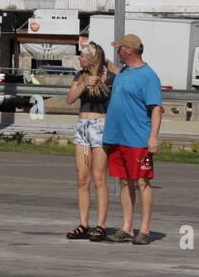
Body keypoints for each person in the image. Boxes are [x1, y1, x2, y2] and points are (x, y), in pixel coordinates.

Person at [100, 34, 163, 246]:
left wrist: (153, 137)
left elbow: (156, 109)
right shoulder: (125, 72)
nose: (117, 52)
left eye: (120, 48)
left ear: (129, 50)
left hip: (138, 139)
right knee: (124, 181)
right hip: (118, 137)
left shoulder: (149, 76)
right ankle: (127, 227)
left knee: (143, 182)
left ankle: (144, 229)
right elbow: (114, 69)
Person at [64, 42, 116, 242]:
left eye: (83, 55)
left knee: (99, 178)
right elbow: (69, 99)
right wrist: (84, 85)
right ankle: (83, 223)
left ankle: (100, 225)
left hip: (100, 128)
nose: (80, 58)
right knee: (82, 178)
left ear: (92, 58)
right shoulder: (80, 76)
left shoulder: (110, 77)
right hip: (83, 128)